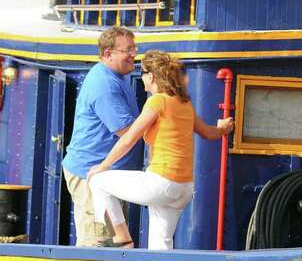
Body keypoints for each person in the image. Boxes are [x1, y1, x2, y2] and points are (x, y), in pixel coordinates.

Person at [86, 50, 234, 250]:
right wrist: (223, 128)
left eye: (143, 74)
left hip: (161, 182)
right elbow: (209, 133)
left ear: (152, 76)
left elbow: (130, 137)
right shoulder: (184, 103)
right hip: (183, 188)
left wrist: (103, 166)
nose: (141, 79)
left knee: (98, 182)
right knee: (161, 245)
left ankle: (123, 241)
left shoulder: (157, 100)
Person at [61, 27, 142, 247]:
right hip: (92, 174)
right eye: (128, 50)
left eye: (135, 48)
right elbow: (126, 131)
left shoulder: (116, 76)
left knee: (113, 242)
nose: (134, 54)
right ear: (108, 54)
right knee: (99, 243)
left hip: (107, 175)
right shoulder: (105, 85)